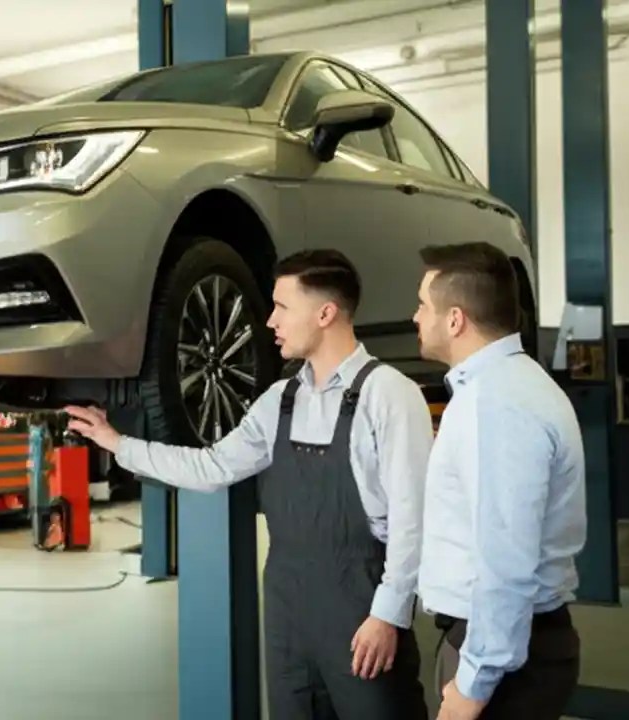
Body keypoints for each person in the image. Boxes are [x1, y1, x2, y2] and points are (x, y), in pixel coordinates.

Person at [66, 249, 432, 720]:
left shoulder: (389, 395)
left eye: (282, 307)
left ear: (325, 313)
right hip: (287, 613)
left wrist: (388, 614)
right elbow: (212, 467)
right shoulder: (280, 401)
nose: (269, 321)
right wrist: (117, 443)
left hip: (360, 612)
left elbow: (413, 519)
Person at [412, 242, 586, 720]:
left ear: (455, 319)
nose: (414, 316)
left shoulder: (497, 403)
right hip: (506, 643)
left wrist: (473, 685)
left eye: (423, 304)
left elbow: (506, 560)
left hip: (502, 659)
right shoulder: (507, 386)